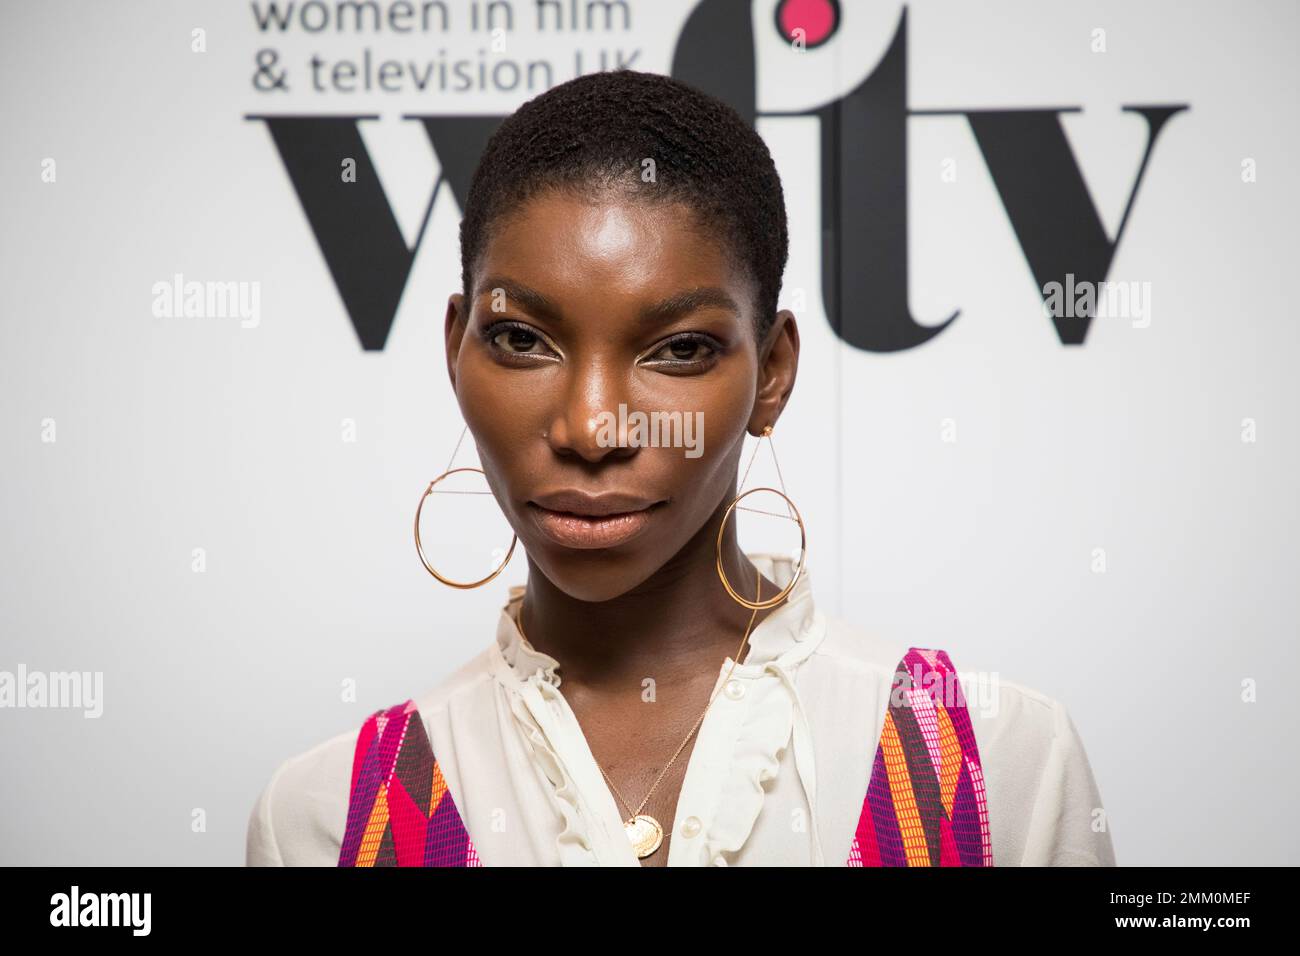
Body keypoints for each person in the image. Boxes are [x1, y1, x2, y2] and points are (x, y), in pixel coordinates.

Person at [245, 69, 1116, 867]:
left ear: (772, 373)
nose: (591, 427)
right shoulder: (323, 822)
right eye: (522, 340)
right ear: (455, 349)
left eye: (678, 349)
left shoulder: (999, 764)